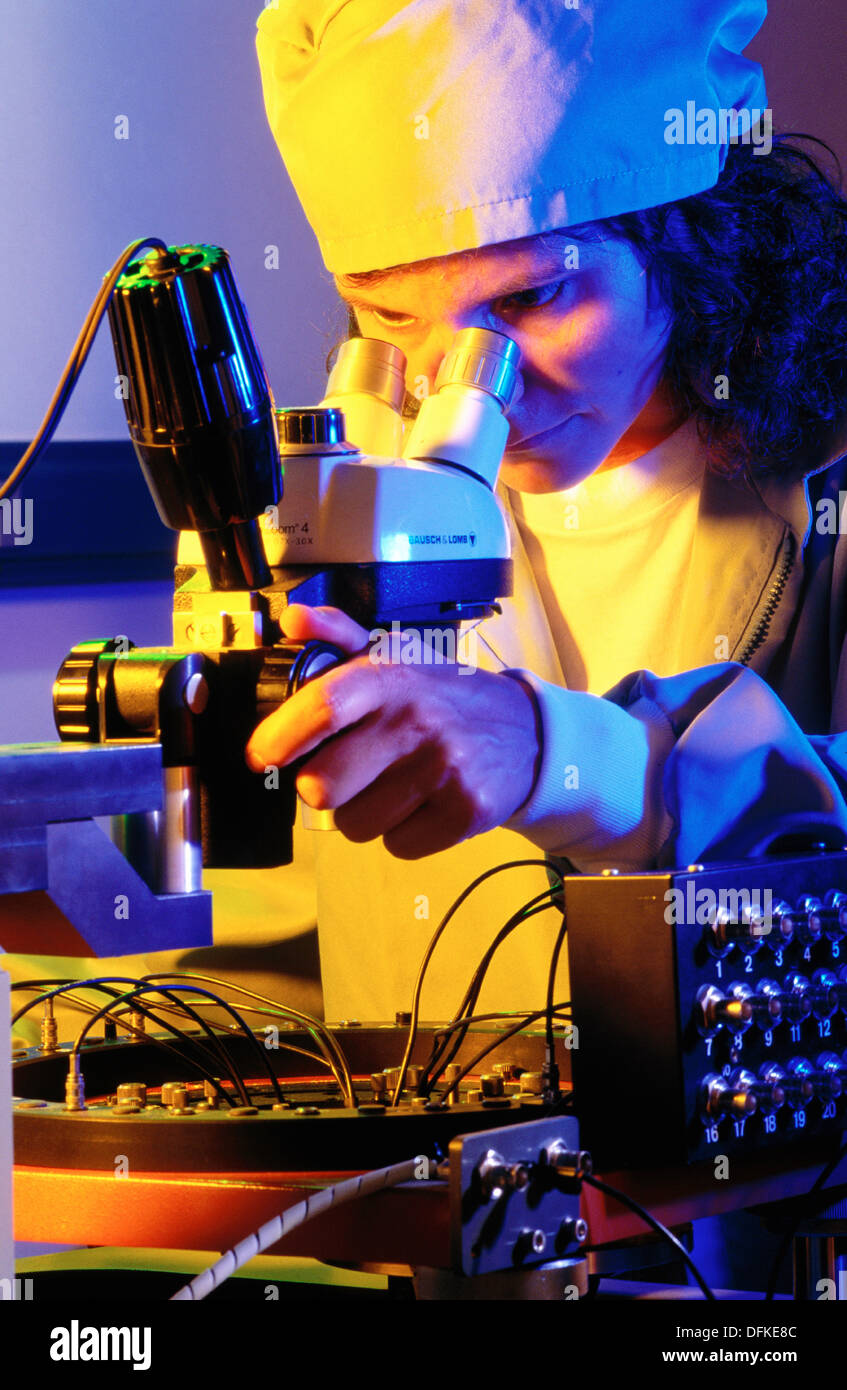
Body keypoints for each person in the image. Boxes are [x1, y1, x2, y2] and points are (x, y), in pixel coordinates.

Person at [251, 0, 847, 1022]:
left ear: (696, 242)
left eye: (529, 301)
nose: (463, 388)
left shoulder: (822, 483)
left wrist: (558, 754)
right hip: (434, 1172)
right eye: (392, 314)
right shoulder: (325, 489)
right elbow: (277, 921)